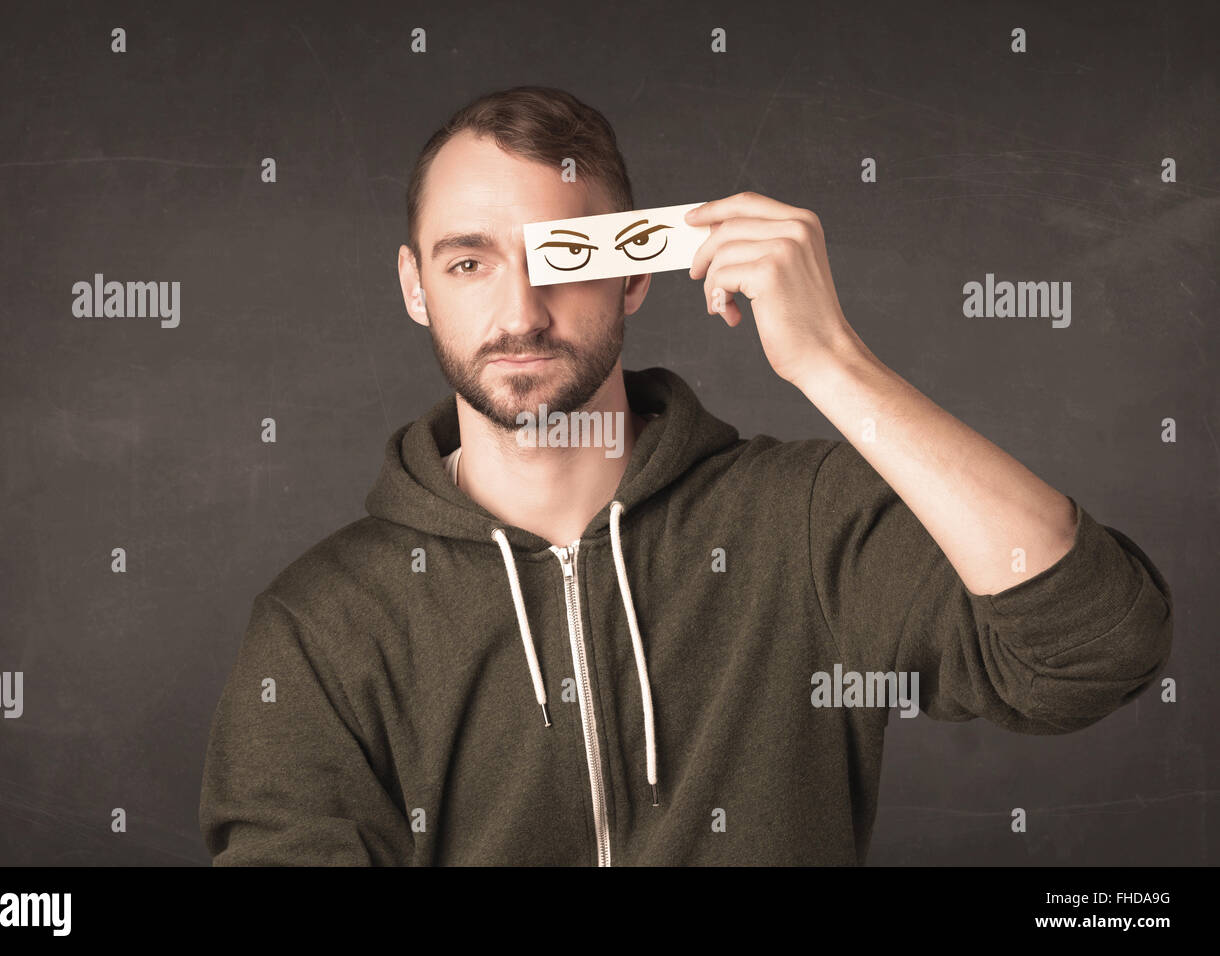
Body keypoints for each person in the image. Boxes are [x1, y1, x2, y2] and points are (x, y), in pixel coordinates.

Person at [198, 85, 1173, 865]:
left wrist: (830, 359)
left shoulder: (807, 522)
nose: (522, 309)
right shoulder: (319, 622)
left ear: (635, 273)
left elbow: (1093, 653)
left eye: (564, 255)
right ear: (415, 286)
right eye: (468, 264)